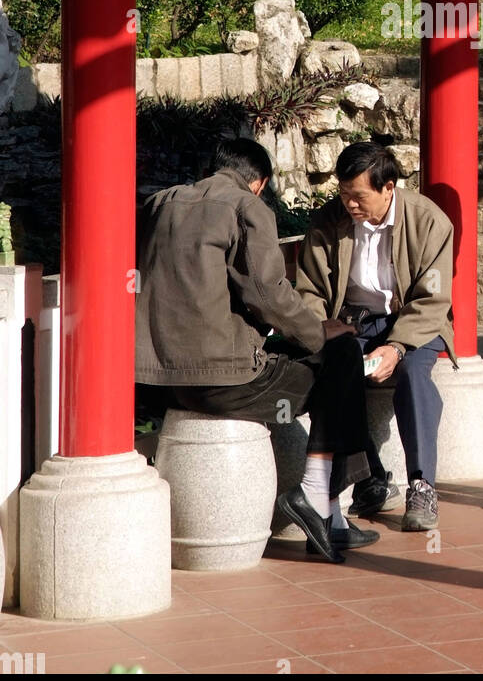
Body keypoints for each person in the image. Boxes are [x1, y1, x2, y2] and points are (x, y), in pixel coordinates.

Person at [135, 137, 375, 563]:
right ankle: (318, 497)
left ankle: (332, 516)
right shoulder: (247, 207)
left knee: (324, 362)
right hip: (224, 383)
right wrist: (319, 333)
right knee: (341, 359)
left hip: (158, 381)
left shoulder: (161, 203)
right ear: (259, 182)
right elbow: (267, 293)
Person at [294, 142, 455, 533]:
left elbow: (432, 299)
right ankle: (370, 476)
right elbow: (310, 290)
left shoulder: (428, 221)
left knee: (415, 375)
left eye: (359, 196)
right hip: (350, 323)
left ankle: (422, 485)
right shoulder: (328, 221)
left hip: (413, 322)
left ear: (389, 187)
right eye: (344, 194)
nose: (350, 205)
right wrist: (324, 328)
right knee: (330, 370)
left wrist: (396, 347)